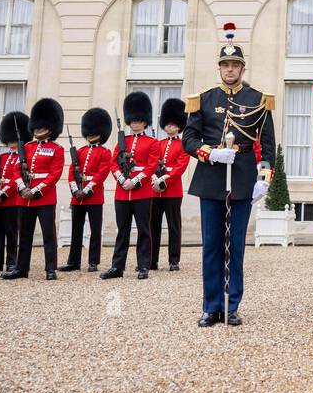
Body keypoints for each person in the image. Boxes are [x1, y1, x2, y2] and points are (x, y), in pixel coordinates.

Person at [183, 26, 276, 326]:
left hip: (242, 179)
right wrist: (210, 153)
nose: (230, 69)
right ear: (219, 68)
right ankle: (211, 306)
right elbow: (189, 139)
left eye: (235, 65)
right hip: (211, 179)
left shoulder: (258, 99)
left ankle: (231, 304)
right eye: (225, 65)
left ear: (242, 68)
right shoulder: (203, 99)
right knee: (211, 246)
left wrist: (264, 178)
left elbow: (269, 144)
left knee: (235, 246)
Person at [7, 97, 65, 281]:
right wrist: (23, 187)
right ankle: (21, 268)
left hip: (44, 197)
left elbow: (54, 174)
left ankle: (50, 269)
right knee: (24, 235)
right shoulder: (27, 147)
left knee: (49, 235)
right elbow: (16, 169)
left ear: (51, 128)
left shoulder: (56, 149)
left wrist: (37, 190)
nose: (39, 130)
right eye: (37, 127)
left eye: (43, 127)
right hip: (24, 196)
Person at [103, 92, 157, 280]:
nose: (135, 123)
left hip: (141, 192)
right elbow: (113, 163)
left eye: (138, 120)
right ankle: (117, 266)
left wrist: (135, 180)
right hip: (121, 192)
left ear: (145, 121)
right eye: (132, 120)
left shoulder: (152, 142)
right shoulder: (122, 141)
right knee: (122, 230)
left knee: (143, 230)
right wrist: (121, 178)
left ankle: (143, 266)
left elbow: (151, 166)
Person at [62, 107, 113, 272]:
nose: (91, 134)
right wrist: (75, 190)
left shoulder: (105, 152)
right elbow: (71, 172)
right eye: (89, 132)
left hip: (94, 196)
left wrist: (87, 190)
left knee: (95, 230)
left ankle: (93, 262)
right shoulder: (80, 152)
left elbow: (101, 174)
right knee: (76, 229)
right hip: (77, 195)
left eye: (94, 132)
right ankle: (74, 261)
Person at [149, 98, 191, 271]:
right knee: (153, 226)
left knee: (174, 226)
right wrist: (153, 176)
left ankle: (174, 260)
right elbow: (151, 162)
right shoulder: (158, 144)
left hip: (172, 190)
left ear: (179, 126)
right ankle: (152, 260)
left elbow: (180, 167)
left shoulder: (183, 145)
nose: (169, 128)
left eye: (173, 125)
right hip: (154, 190)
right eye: (167, 125)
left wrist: (164, 178)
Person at [0, 110, 27, 274]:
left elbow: (16, 180)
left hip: (12, 201)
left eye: (14, 140)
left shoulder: (22, 159)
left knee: (11, 233)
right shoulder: (1, 157)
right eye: (9, 140)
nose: (11, 143)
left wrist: (1, 195)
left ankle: (11, 261)